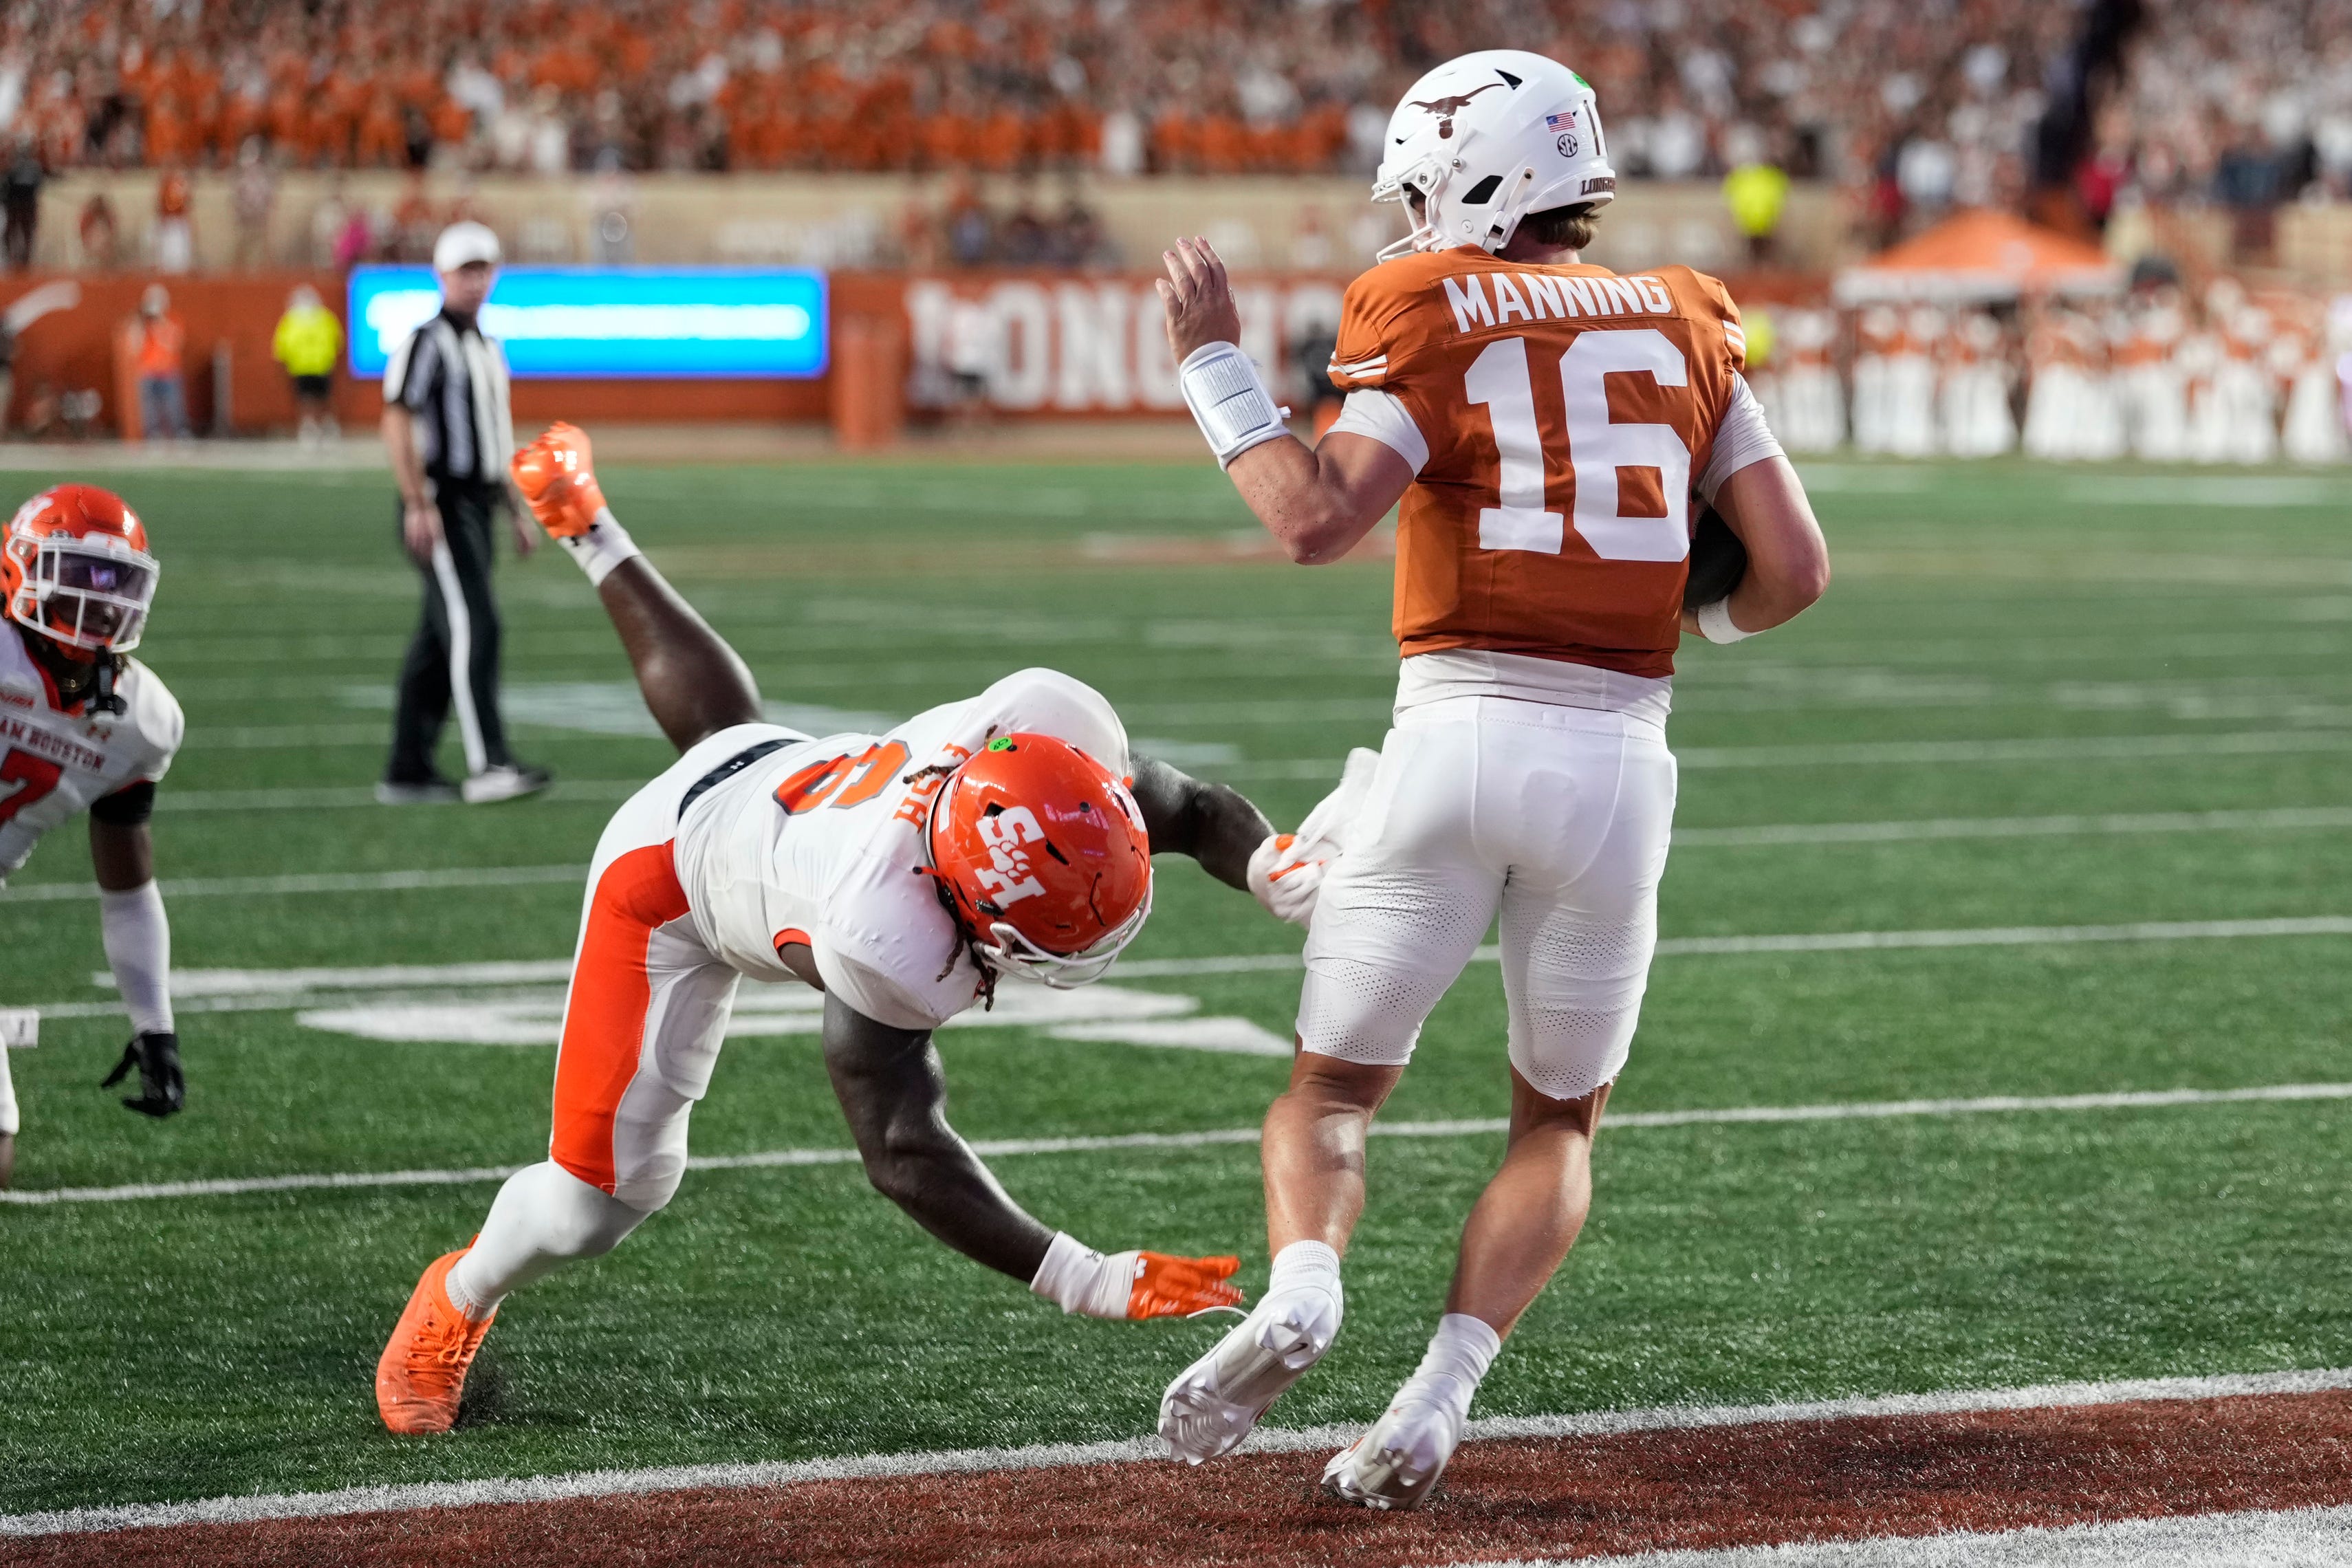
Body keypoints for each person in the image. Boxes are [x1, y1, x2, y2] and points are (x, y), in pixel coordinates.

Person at [1151, 50, 1832, 1505]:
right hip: (1619, 766)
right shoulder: (1690, 316)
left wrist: (1212, 365)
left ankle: (1307, 1283)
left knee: (1329, 1095)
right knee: (1558, 1123)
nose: (1405, 219)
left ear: (1482, 175)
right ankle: (1443, 1392)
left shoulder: (1430, 306)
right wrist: (1681, 619)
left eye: (1420, 186)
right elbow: (1795, 572)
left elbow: (1314, 520)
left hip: (1455, 736)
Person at [375, 423, 1298, 1435]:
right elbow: (904, 1151)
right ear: (969, 910)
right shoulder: (882, 936)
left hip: (781, 777)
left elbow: (1196, 809)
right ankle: (455, 1297)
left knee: (733, 738)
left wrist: (1273, 865)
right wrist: (1081, 1276)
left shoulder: (1040, 765)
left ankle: (590, 528)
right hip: (670, 880)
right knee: (597, 1202)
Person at [0, 485, 189, 1188]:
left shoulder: (142, 720)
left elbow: (128, 886)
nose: (99, 599)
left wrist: (155, 1025)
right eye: (75, 573)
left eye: (117, 582)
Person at [378, 221, 545, 806]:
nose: (476, 282)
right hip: (442, 500)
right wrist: (418, 501)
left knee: (439, 637)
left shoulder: (487, 346)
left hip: (478, 500)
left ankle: (407, 768)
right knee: (477, 625)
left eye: (484, 270)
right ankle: (488, 762)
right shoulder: (427, 341)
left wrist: (513, 508)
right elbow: (397, 420)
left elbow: (494, 436)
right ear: (442, 276)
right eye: (465, 272)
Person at [271, 285, 342, 446]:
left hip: (317, 365)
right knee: (308, 400)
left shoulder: (324, 318)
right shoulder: (293, 320)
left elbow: (336, 340)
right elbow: (283, 344)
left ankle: (324, 426)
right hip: (305, 366)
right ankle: (311, 428)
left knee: (321, 399)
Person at [130, 286, 190, 443]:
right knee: (149, 409)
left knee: (173, 407)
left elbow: (175, 343)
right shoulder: (143, 325)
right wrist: (141, 326)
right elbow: (134, 346)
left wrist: (160, 326)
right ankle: (153, 435)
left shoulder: (173, 322)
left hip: (168, 371)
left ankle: (179, 433)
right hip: (148, 371)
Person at [2, 136, 42, 271]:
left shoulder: (34, 167)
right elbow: (7, 185)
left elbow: (39, 186)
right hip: (14, 206)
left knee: (27, 232)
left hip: (27, 206)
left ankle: (25, 258)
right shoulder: (12, 165)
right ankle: (11, 257)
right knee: (11, 231)